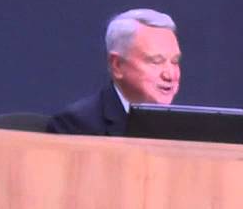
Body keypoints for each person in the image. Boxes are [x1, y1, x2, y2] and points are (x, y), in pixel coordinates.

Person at [47, 9, 182, 135]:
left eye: (175, 62)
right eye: (156, 61)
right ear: (117, 65)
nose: (169, 75)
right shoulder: (76, 125)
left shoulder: (183, 127)